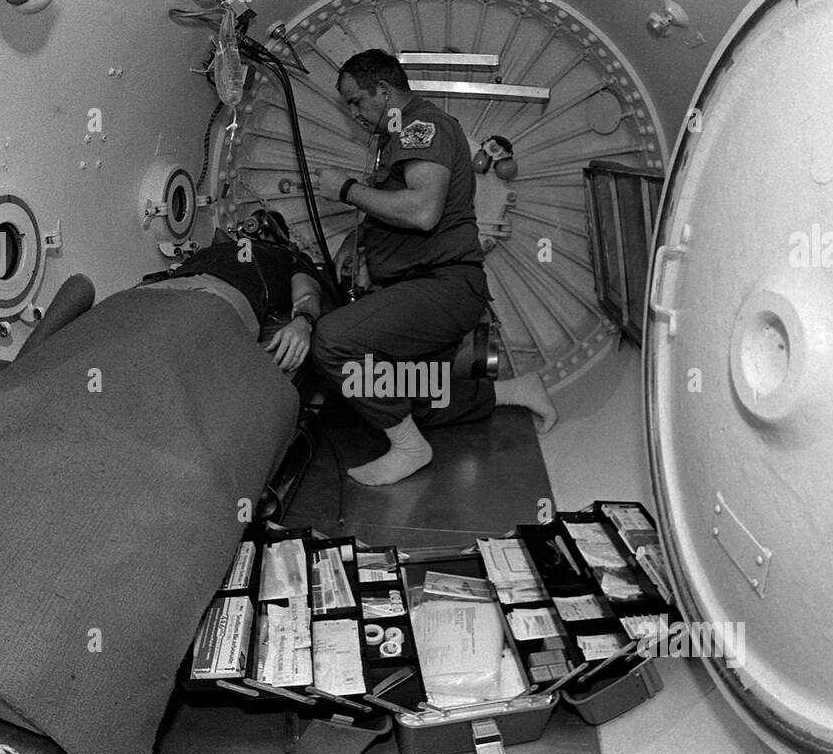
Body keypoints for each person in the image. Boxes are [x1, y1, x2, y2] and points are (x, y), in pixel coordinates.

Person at [313, 48, 557, 486]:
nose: (353, 114)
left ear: (384, 91)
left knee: (332, 342)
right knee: (409, 396)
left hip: (442, 285)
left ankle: (409, 448)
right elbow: (394, 213)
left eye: (355, 101)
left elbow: (423, 210)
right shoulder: (396, 137)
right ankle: (519, 391)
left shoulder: (421, 127)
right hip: (423, 286)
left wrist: (346, 189)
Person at [139, 218, 324, 374]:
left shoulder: (288, 256)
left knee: (171, 351)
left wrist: (303, 322)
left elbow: (308, 293)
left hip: (225, 293)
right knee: (119, 316)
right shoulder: (221, 246)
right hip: (176, 282)